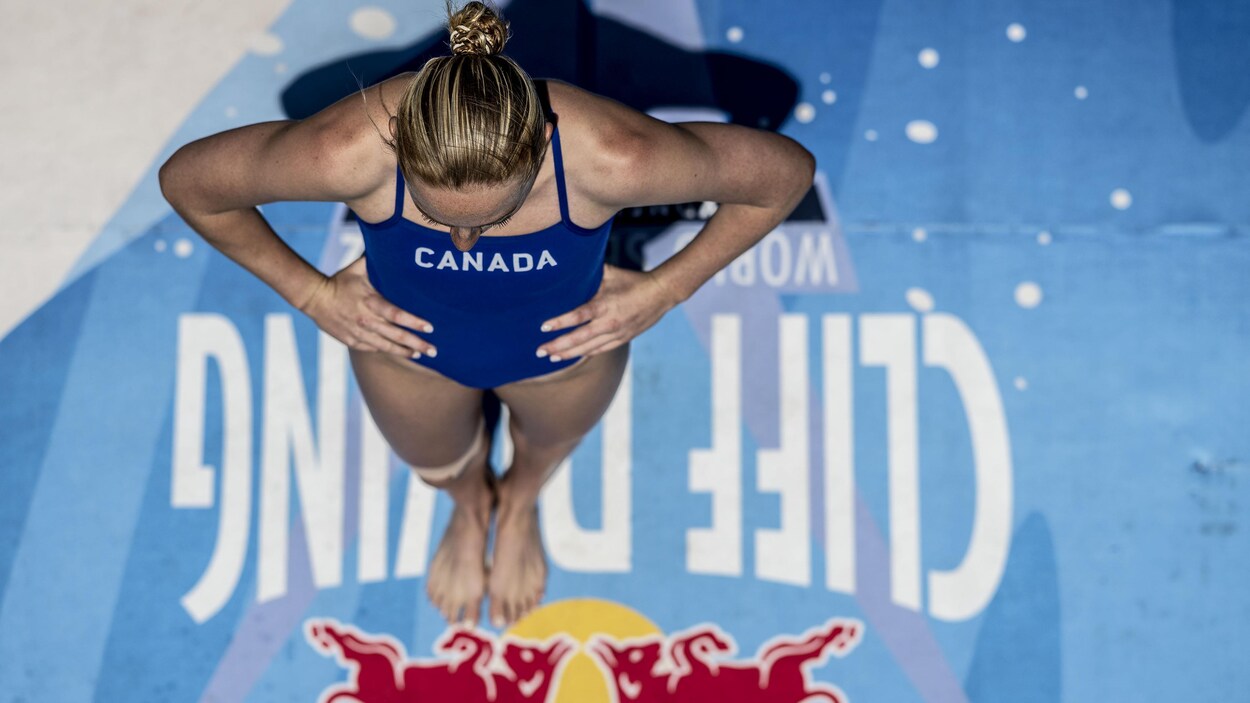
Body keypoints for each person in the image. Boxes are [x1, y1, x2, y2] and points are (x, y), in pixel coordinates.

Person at [159, 0, 814, 630]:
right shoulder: (349, 148)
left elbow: (782, 175)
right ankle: (472, 511)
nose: (465, 242)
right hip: (406, 357)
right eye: (441, 219)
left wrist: (666, 289)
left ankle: (521, 505)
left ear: (541, 147)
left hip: (564, 360)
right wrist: (311, 294)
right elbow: (191, 183)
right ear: (399, 148)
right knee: (441, 468)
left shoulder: (612, 154)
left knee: (543, 451)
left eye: (492, 219)